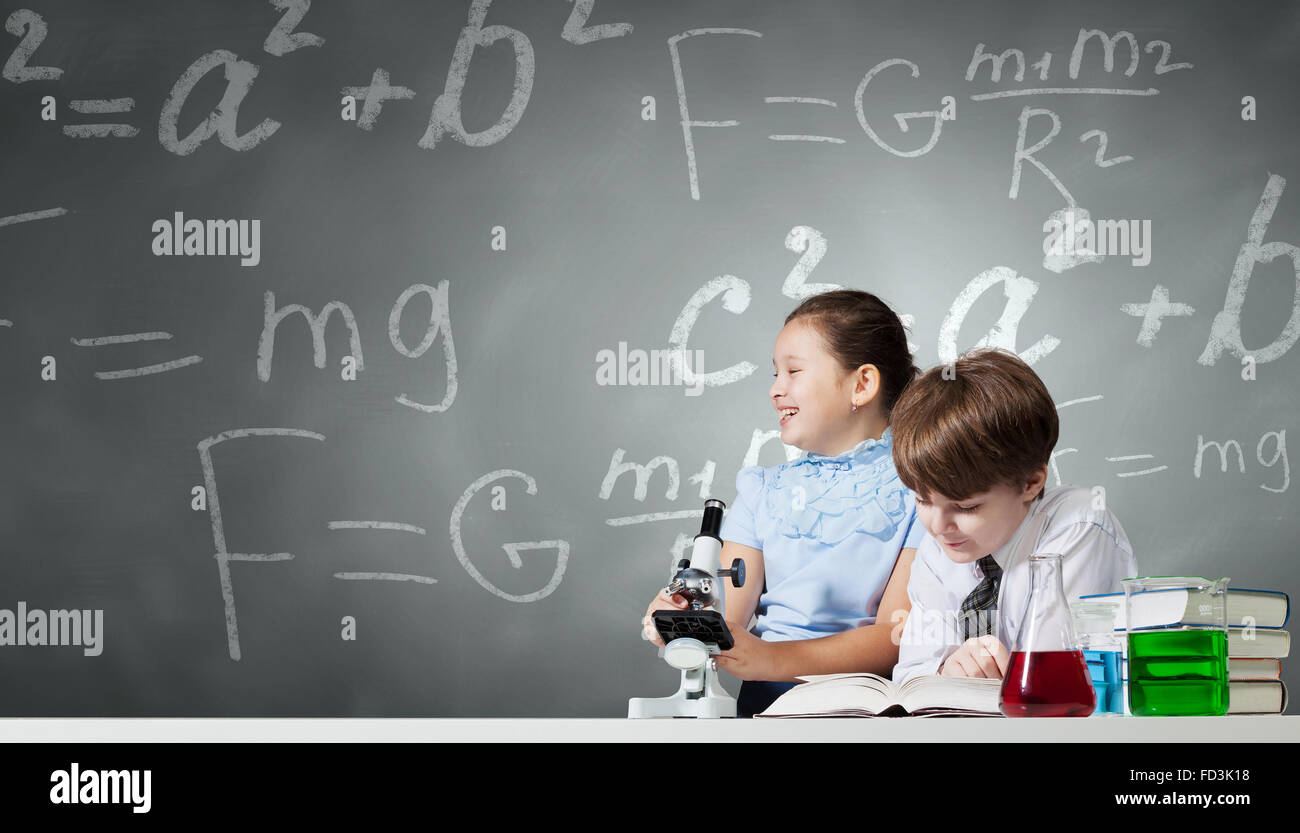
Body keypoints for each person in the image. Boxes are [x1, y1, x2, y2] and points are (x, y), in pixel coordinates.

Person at [641, 289, 926, 717]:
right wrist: (685, 620)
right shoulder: (761, 491)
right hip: (765, 707)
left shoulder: (924, 492)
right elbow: (727, 617)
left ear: (862, 383)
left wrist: (773, 659)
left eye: (793, 371)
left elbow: (892, 636)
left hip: (869, 712)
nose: (776, 391)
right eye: (775, 374)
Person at [889, 348, 1139, 683]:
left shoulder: (1077, 524)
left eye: (966, 507)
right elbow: (912, 671)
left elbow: (1050, 673)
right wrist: (947, 668)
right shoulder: (940, 550)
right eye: (922, 500)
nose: (937, 525)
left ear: (1031, 483)